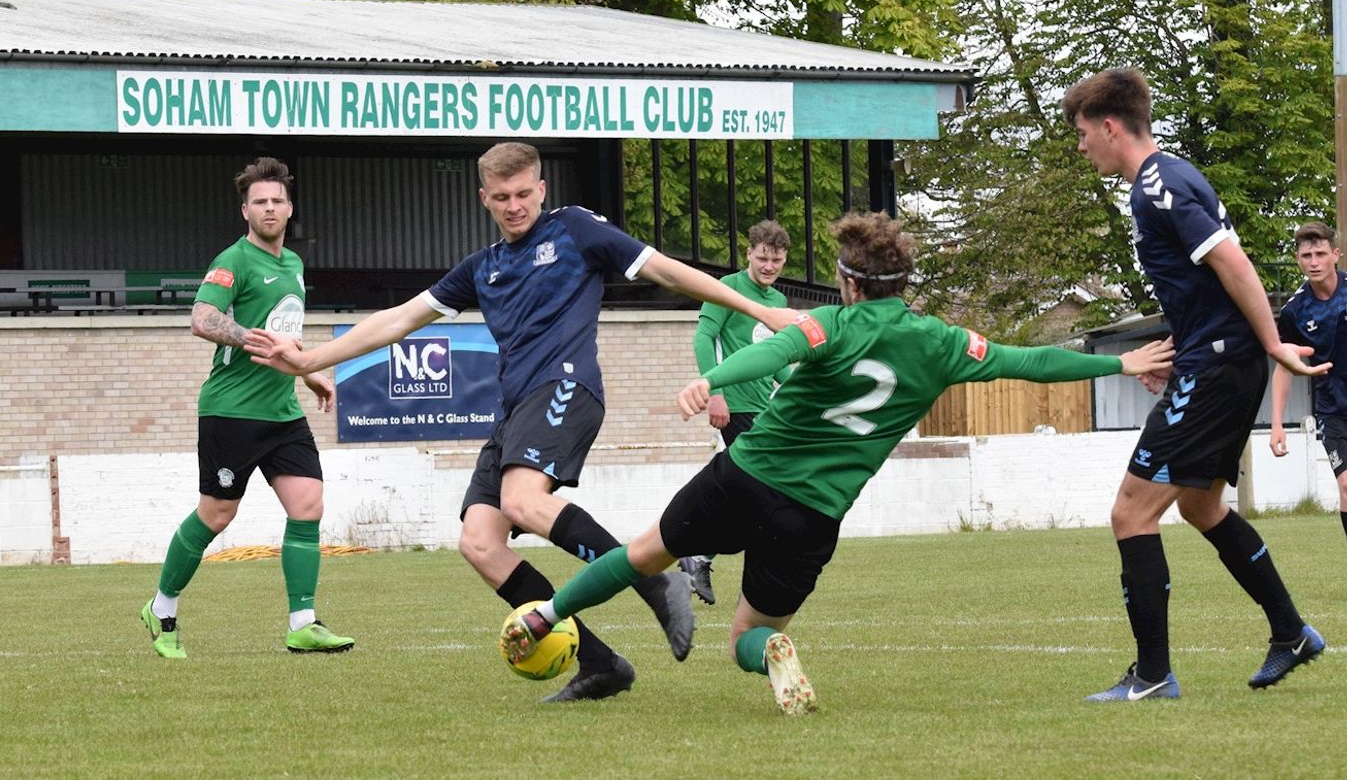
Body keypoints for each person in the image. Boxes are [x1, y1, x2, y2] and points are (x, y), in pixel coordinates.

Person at [500, 211, 1176, 715]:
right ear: (900, 281)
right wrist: (1119, 360)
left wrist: (714, 380)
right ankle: (768, 654)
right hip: (814, 515)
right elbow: (1031, 361)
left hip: (745, 476)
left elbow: (774, 349)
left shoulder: (833, 324)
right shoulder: (941, 342)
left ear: (849, 283)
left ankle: (545, 614)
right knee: (749, 632)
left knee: (644, 551)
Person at [245, 142, 798, 702]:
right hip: (515, 413)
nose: (514, 206)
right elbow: (399, 319)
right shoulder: (483, 268)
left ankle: (655, 578)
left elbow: (665, 269)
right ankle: (602, 664)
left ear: (542, 190)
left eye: (523, 194)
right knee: (480, 543)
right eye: (502, 197)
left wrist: (761, 309)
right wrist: (311, 359)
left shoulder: (576, 230)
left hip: (565, 386)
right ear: (484, 198)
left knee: (523, 502)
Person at [1061, 67, 1328, 701]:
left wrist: (1268, 342)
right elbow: (1203, 287)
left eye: (1080, 134)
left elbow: (1232, 263)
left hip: (1221, 366)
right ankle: (1290, 632)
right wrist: (1182, 353)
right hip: (1211, 361)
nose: (1080, 147)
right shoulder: (1162, 180)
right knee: (1201, 506)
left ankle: (1153, 676)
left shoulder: (1158, 186)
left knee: (1131, 513)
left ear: (1108, 125)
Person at [140, 157, 353, 659]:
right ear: (246, 210)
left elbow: (285, 340)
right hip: (231, 411)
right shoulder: (233, 260)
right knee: (216, 515)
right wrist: (243, 336)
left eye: (277, 200)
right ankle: (162, 609)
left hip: (283, 413)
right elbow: (202, 317)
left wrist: (310, 373)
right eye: (261, 201)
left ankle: (303, 623)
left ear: (289, 207)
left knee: (308, 507)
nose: (270, 207)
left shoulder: (294, 265)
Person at [678, 219, 792, 605]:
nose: (769, 266)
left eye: (776, 260)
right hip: (735, 405)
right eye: (763, 258)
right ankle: (700, 555)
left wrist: (798, 387)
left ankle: (696, 553)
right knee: (760, 489)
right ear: (749, 253)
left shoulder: (777, 303)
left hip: (763, 407)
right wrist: (716, 393)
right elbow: (703, 338)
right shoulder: (727, 289)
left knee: (749, 490)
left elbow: (774, 359)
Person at [1270, 222, 1347, 536]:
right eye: (1307, 255)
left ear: (1335, 255)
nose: (1314, 262)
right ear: (1297, 259)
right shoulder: (1294, 312)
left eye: (1320, 254)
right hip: (1333, 410)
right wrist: (1276, 424)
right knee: (1346, 485)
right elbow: (1284, 365)